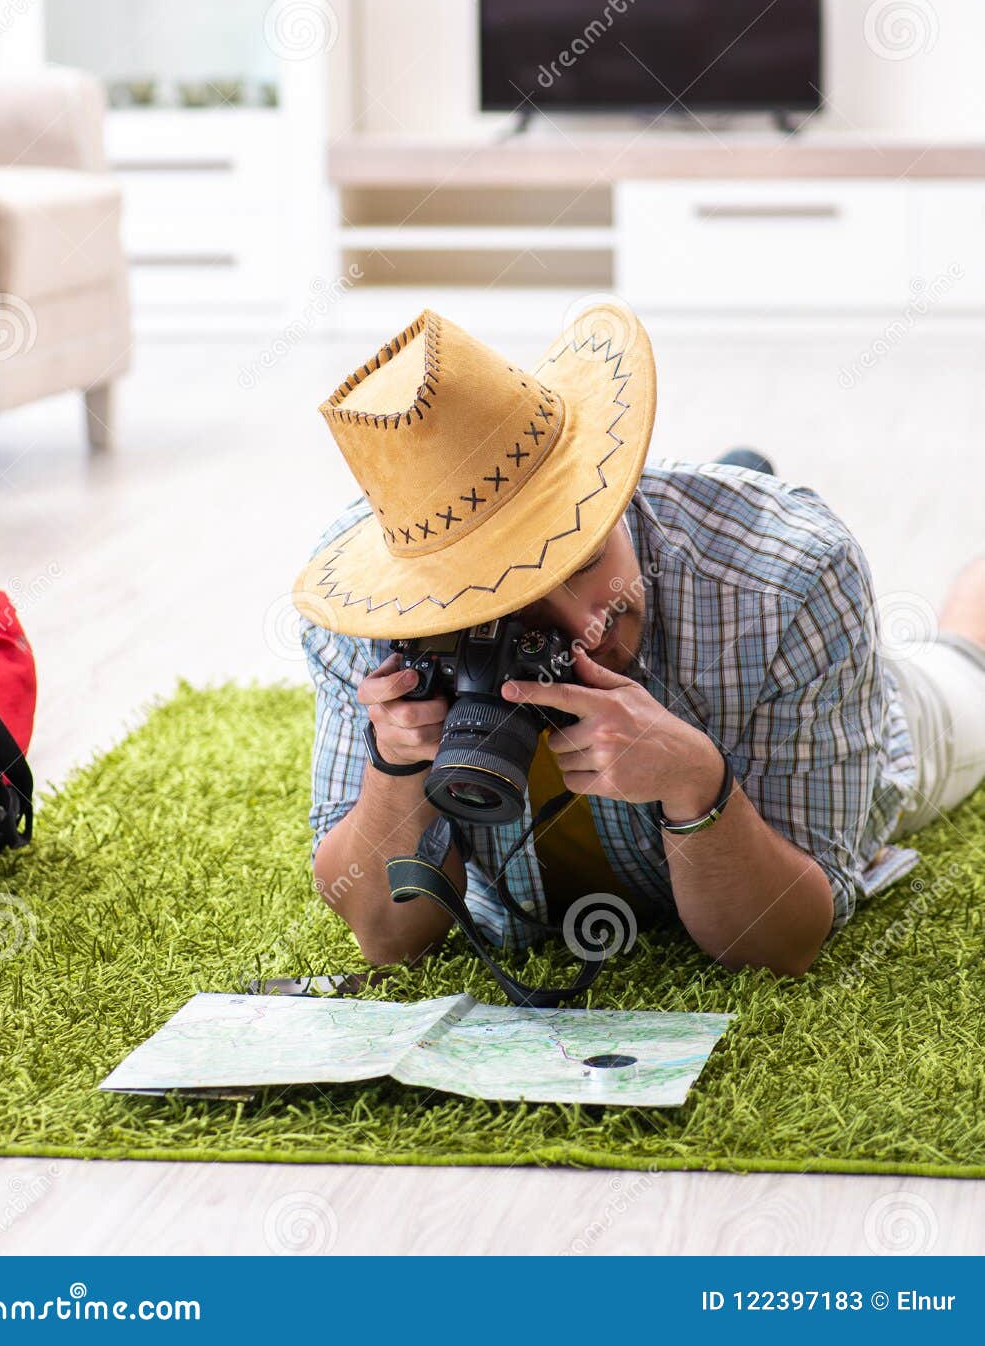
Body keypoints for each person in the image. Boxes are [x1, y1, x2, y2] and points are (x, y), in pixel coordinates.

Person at [293, 304, 985, 979]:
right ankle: (723, 477)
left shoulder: (793, 575)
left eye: (585, 557)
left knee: (964, 666)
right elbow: (388, 938)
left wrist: (698, 783)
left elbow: (783, 946)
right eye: (509, 608)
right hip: (692, 580)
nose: (584, 626)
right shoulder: (382, 616)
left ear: (618, 500)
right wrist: (396, 765)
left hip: (847, 701)